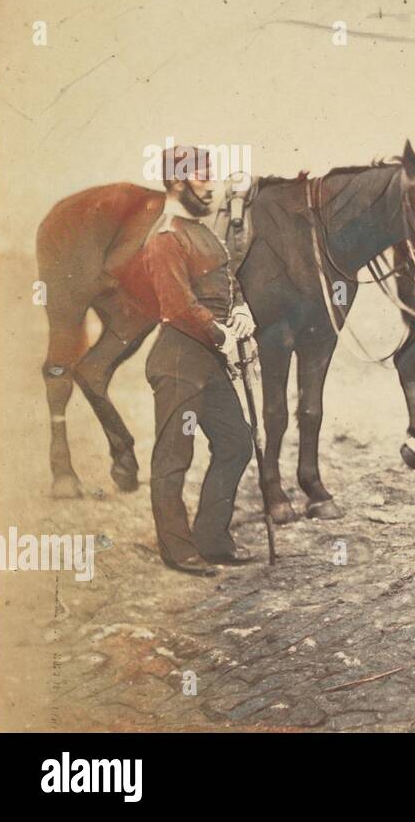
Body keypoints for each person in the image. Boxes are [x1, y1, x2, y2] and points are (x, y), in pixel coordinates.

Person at [144, 147, 258, 576]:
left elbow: (227, 282)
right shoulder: (166, 237)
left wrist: (242, 311)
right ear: (176, 182)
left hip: (210, 361)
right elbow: (178, 306)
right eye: (202, 177)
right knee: (175, 455)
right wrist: (222, 336)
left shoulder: (201, 230)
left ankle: (212, 539)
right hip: (180, 365)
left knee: (235, 443)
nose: (210, 184)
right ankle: (178, 550)